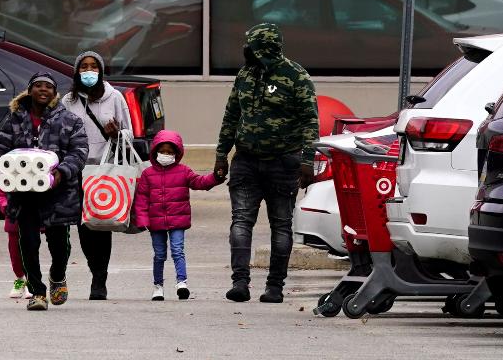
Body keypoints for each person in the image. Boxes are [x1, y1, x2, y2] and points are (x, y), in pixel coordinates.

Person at [212, 23, 318, 305]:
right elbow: (231, 115)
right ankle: (240, 282)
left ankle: (275, 286)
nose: (249, 54)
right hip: (246, 160)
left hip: (284, 161)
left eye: (254, 49)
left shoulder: (297, 77)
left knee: (281, 225)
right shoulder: (245, 74)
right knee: (241, 220)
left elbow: (310, 120)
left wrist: (308, 161)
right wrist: (221, 154)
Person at [0, 72, 89, 311]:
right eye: (38, 86)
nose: (43, 90)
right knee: (29, 243)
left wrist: (61, 173)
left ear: (54, 93)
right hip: (24, 194)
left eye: (48, 87)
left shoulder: (70, 121)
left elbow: (79, 152)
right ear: (30, 90)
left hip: (59, 193)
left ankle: (57, 276)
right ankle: (38, 292)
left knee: (59, 244)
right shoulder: (15, 119)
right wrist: (0, 174)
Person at [59, 50, 131, 299]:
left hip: (103, 170)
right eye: (84, 67)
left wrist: (116, 134)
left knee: (101, 224)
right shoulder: (68, 100)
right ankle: (94, 269)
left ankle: (100, 279)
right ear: (77, 71)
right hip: (76, 170)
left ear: (100, 71)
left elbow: (130, 134)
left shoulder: (115, 97)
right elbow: (60, 132)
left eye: (93, 67)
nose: (89, 71)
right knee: (84, 227)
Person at [132, 129, 220, 301]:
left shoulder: (184, 171)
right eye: (162, 151)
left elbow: (199, 182)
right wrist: (142, 219)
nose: (166, 155)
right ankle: (158, 286)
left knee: (178, 250)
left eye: (170, 152)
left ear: (177, 154)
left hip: (177, 220)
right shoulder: (147, 174)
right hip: (155, 222)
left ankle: (182, 283)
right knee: (159, 254)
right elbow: (141, 199)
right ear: (155, 152)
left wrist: (216, 177)